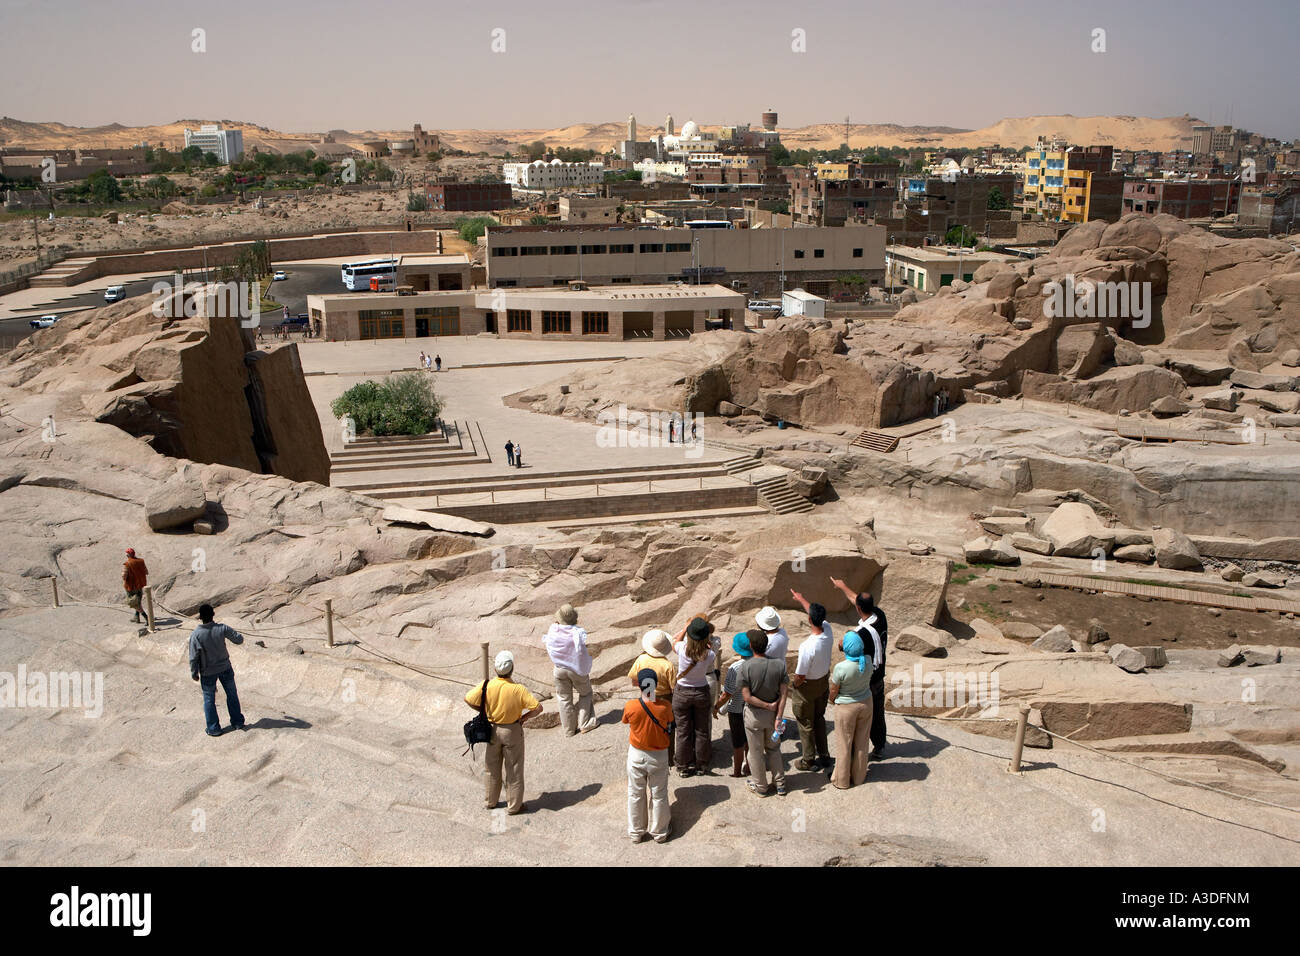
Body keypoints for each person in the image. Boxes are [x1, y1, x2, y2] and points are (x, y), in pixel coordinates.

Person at [464, 651, 542, 815]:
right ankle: (514, 806)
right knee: (513, 768)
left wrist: (483, 711)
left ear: (495, 669)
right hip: (512, 730)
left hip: (492, 729)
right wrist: (525, 718)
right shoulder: (518, 689)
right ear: (511, 669)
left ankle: (490, 801)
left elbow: (468, 699)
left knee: (491, 767)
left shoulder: (487, 685)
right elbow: (538, 708)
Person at [831, 577, 889, 759]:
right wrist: (842, 586)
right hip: (880, 675)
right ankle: (879, 746)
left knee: (862, 717)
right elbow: (856, 599)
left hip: (865, 681)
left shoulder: (862, 634)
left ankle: (857, 752)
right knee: (878, 714)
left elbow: (843, 646)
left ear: (858, 609)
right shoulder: (879, 615)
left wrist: (844, 640)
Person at [623, 668, 673, 843]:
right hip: (658, 755)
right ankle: (659, 832)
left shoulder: (631, 706)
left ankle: (636, 832)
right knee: (659, 794)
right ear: (656, 685)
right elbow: (670, 722)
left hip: (637, 754)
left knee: (635, 793)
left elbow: (626, 720)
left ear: (640, 686)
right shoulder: (665, 707)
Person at [788, 590, 834, 771]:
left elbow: (800, 675)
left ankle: (808, 759)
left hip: (808, 686)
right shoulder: (828, 631)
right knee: (819, 718)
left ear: (809, 620)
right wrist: (801, 599)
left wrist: (795, 685)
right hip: (823, 682)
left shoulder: (808, 646)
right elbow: (814, 614)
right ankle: (824, 755)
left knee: (805, 723)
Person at [740, 630, 789, 796]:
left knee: (756, 753)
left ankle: (761, 787)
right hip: (774, 715)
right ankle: (780, 784)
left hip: (754, 715)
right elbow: (784, 694)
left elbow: (747, 697)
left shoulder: (745, 666)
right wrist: (778, 716)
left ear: (751, 646)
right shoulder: (779, 665)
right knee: (774, 749)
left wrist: (766, 705)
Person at [189, 604, 246, 737]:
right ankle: (237, 722)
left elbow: (193, 657)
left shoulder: (196, 634)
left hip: (207, 671)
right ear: (213, 615)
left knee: (209, 700)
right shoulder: (222, 628)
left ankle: (214, 728)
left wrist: (194, 673)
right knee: (232, 694)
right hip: (225, 667)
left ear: (200, 617)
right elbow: (239, 640)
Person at [828, 630, 874, 789]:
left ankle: (842, 781)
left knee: (844, 744)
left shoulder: (841, 667)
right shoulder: (867, 660)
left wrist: (831, 700)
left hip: (847, 707)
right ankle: (859, 776)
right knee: (862, 742)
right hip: (866, 702)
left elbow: (834, 690)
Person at [671, 617, 716, 776]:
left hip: (682, 691)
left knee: (683, 730)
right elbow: (709, 648)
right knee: (701, 729)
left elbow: (674, 643)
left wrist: (685, 628)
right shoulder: (709, 654)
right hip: (701, 691)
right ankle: (701, 764)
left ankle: (683, 765)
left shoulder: (683, 648)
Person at [544, 604, 598, 735]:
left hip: (559, 668)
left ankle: (569, 730)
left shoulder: (553, 630)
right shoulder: (577, 632)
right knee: (585, 693)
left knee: (564, 699)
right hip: (576, 669)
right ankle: (585, 723)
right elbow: (581, 650)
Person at [712, 631, 758, 778]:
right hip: (753, 707)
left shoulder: (735, 668)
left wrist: (716, 706)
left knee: (738, 741)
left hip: (736, 708)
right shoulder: (759, 662)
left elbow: (727, 693)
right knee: (749, 739)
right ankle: (749, 767)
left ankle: (737, 771)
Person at [628, 630, 677, 708]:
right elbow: (674, 688)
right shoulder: (668, 665)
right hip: (664, 698)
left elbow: (634, 681)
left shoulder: (641, 659)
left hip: (646, 694)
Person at [122, 548, 148, 624]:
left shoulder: (128, 564)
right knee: (137, 601)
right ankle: (136, 617)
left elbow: (124, 575)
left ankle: (146, 617)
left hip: (131, 586)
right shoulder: (141, 561)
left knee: (133, 603)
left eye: (126, 553)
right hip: (140, 585)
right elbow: (146, 571)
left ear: (128, 555)